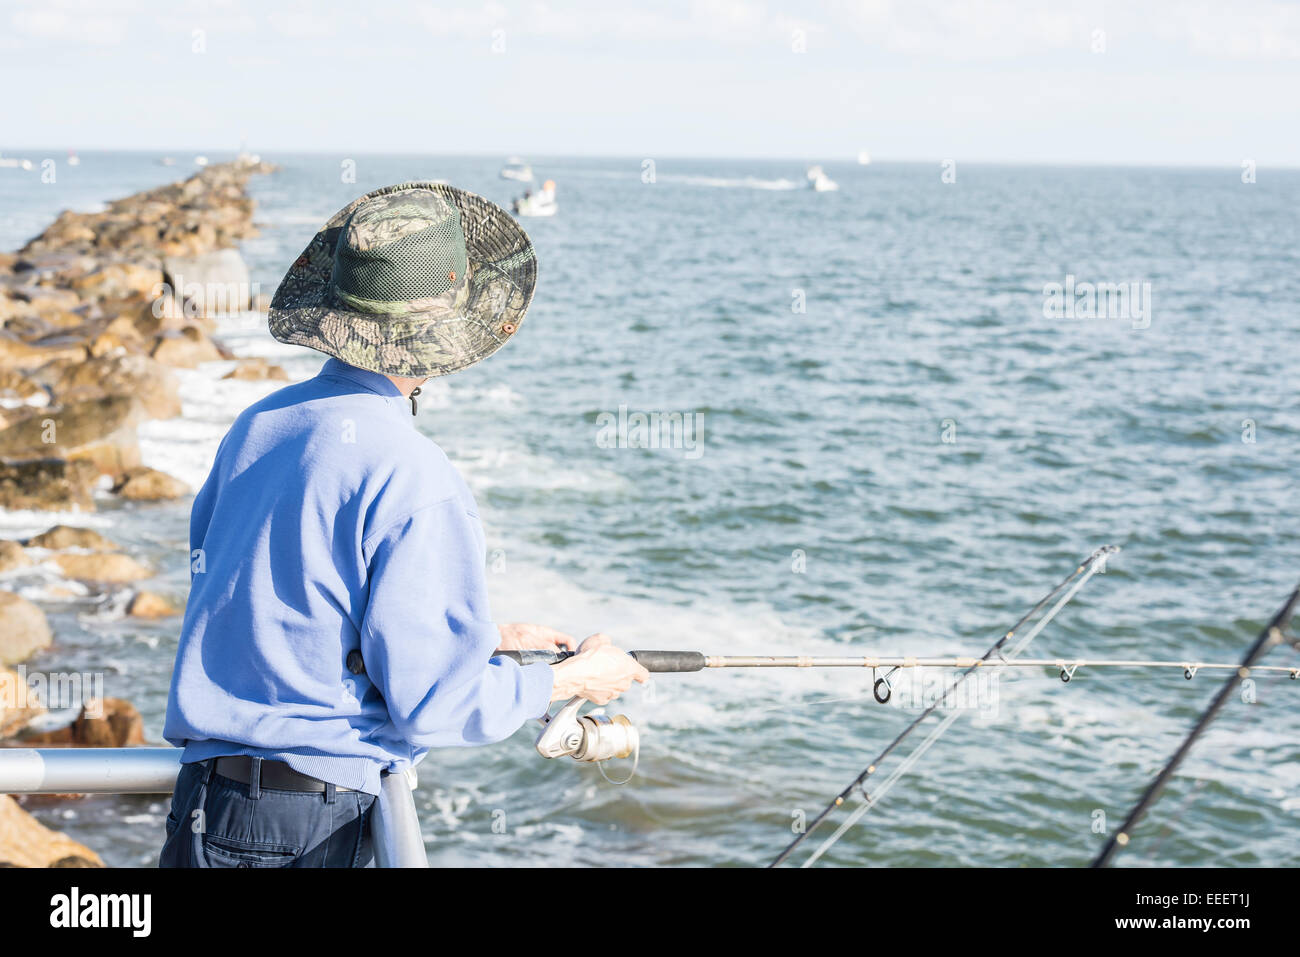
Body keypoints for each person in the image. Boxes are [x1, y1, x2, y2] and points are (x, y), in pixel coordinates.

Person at [159, 182, 648, 868]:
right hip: (305, 827)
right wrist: (571, 680)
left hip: (201, 803)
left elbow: (255, 600)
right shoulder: (415, 475)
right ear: (442, 337)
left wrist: (483, 640)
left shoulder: (257, 425)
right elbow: (434, 708)